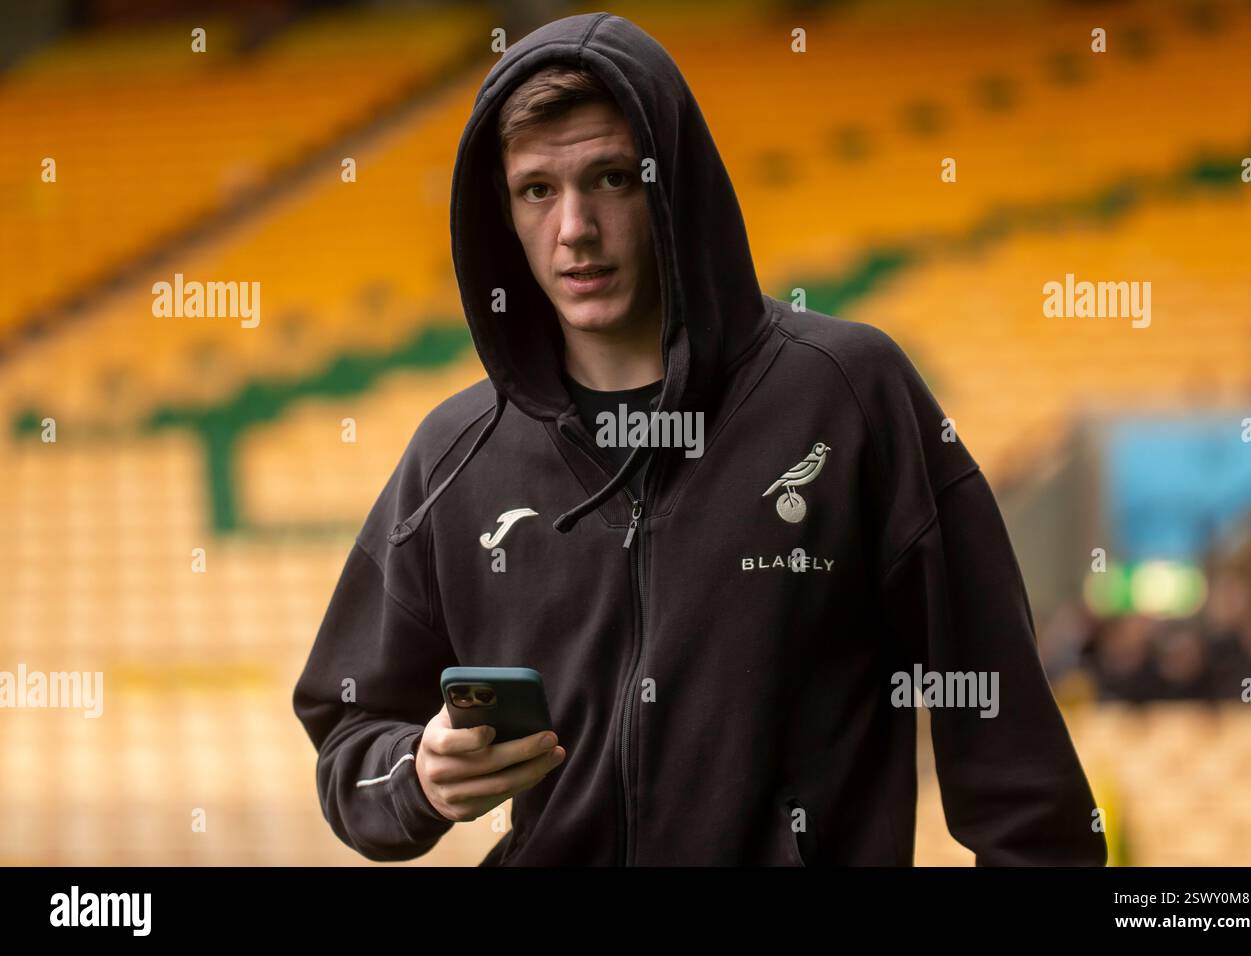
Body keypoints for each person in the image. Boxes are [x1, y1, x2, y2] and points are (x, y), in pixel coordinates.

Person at [292, 11, 1107, 866]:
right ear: (504, 212)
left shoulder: (848, 396)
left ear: (671, 186)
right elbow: (349, 731)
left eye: (611, 179)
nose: (574, 228)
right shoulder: (454, 454)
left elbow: (1010, 750)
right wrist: (415, 776)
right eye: (538, 189)